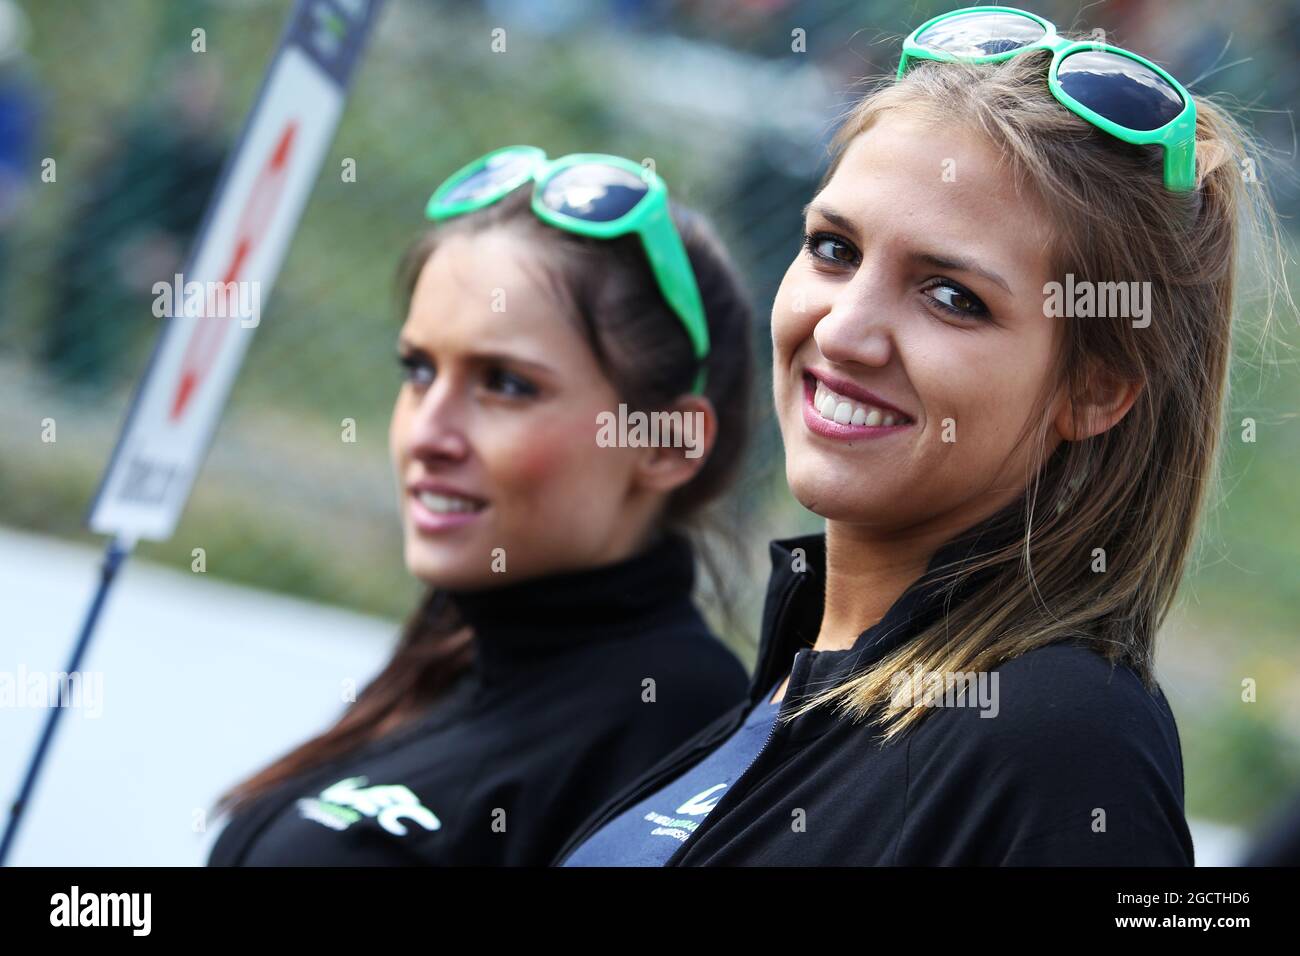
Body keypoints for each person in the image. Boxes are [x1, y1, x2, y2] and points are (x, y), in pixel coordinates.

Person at [555, 6, 1286, 866]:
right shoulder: (801, 684)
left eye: (950, 297)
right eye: (833, 249)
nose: (843, 332)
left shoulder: (1067, 740)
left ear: (1095, 390)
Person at [208, 146, 754, 865]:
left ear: (665, 442)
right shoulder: (452, 649)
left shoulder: (680, 723)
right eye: (418, 370)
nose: (426, 433)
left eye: (506, 384)